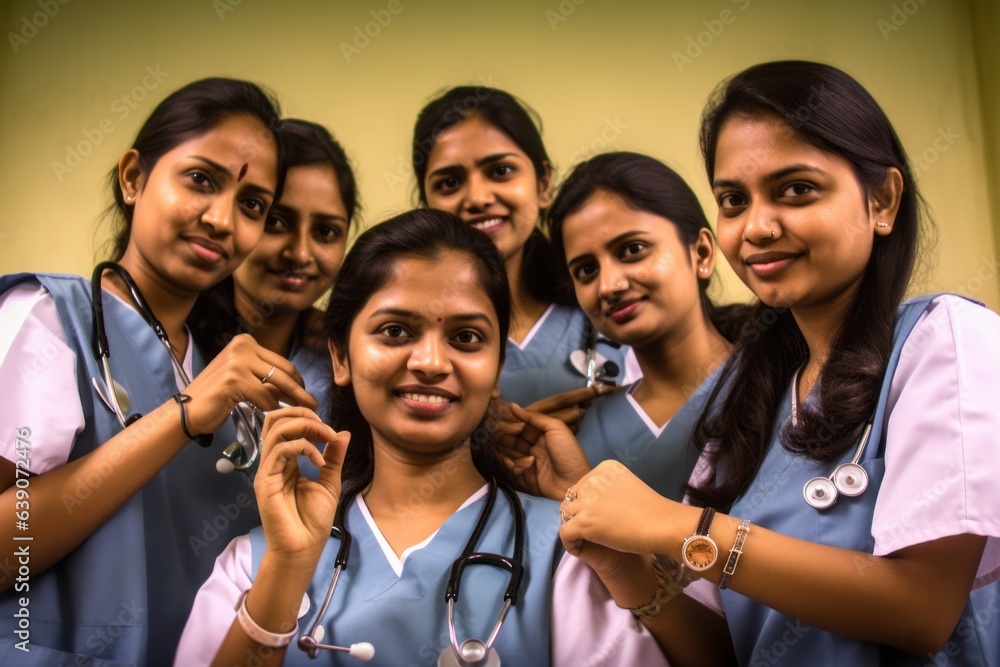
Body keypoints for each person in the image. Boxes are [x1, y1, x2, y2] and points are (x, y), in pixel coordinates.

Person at [552, 61, 1000, 666]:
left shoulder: (941, 340)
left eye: (796, 189)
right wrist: (621, 564)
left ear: (883, 200)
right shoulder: (749, 412)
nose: (757, 227)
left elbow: (922, 611)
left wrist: (676, 526)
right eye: (734, 200)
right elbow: (723, 653)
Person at [176, 210, 681, 667]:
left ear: (498, 367)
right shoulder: (254, 559)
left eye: (466, 338)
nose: (432, 363)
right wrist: (285, 570)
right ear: (341, 358)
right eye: (395, 331)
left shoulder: (568, 554)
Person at [0, 78, 316, 666]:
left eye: (252, 207)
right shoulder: (47, 319)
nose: (223, 220)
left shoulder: (230, 379)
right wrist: (184, 414)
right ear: (133, 178)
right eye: (201, 179)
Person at [412, 86, 636, 423]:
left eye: (500, 171)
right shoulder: (401, 330)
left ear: (544, 184)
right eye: (449, 183)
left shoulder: (613, 307)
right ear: (425, 205)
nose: (477, 197)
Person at [533, 152, 743, 502]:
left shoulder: (783, 386)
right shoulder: (583, 433)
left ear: (702, 253)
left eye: (633, 249)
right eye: (586, 270)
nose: (609, 285)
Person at [209, 119, 359, 425]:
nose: (300, 254)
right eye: (275, 222)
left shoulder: (348, 367)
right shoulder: (176, 346)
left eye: (326, 232)